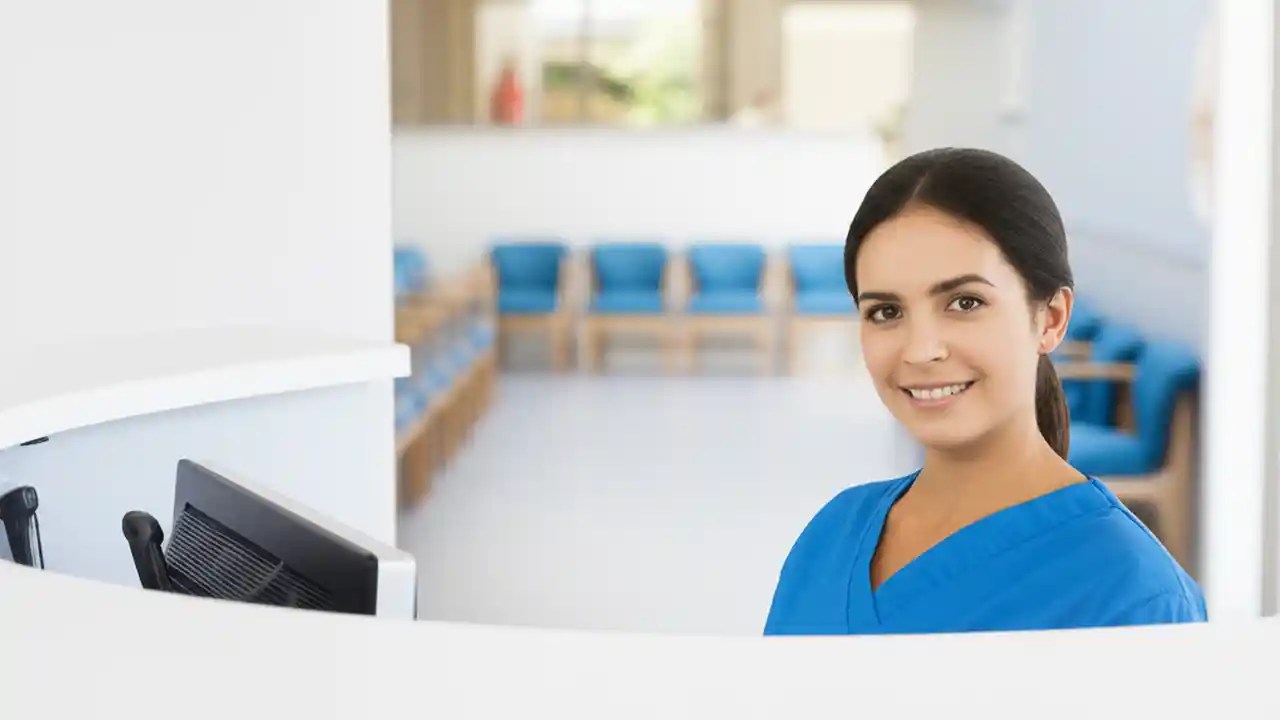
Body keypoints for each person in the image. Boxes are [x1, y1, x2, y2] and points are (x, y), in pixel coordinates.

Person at [763, 148, 1207, 635]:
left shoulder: (1137, 595)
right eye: (886, 312)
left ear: (1051, 318)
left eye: (964, 302)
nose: (920, 350)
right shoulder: (833, 537)